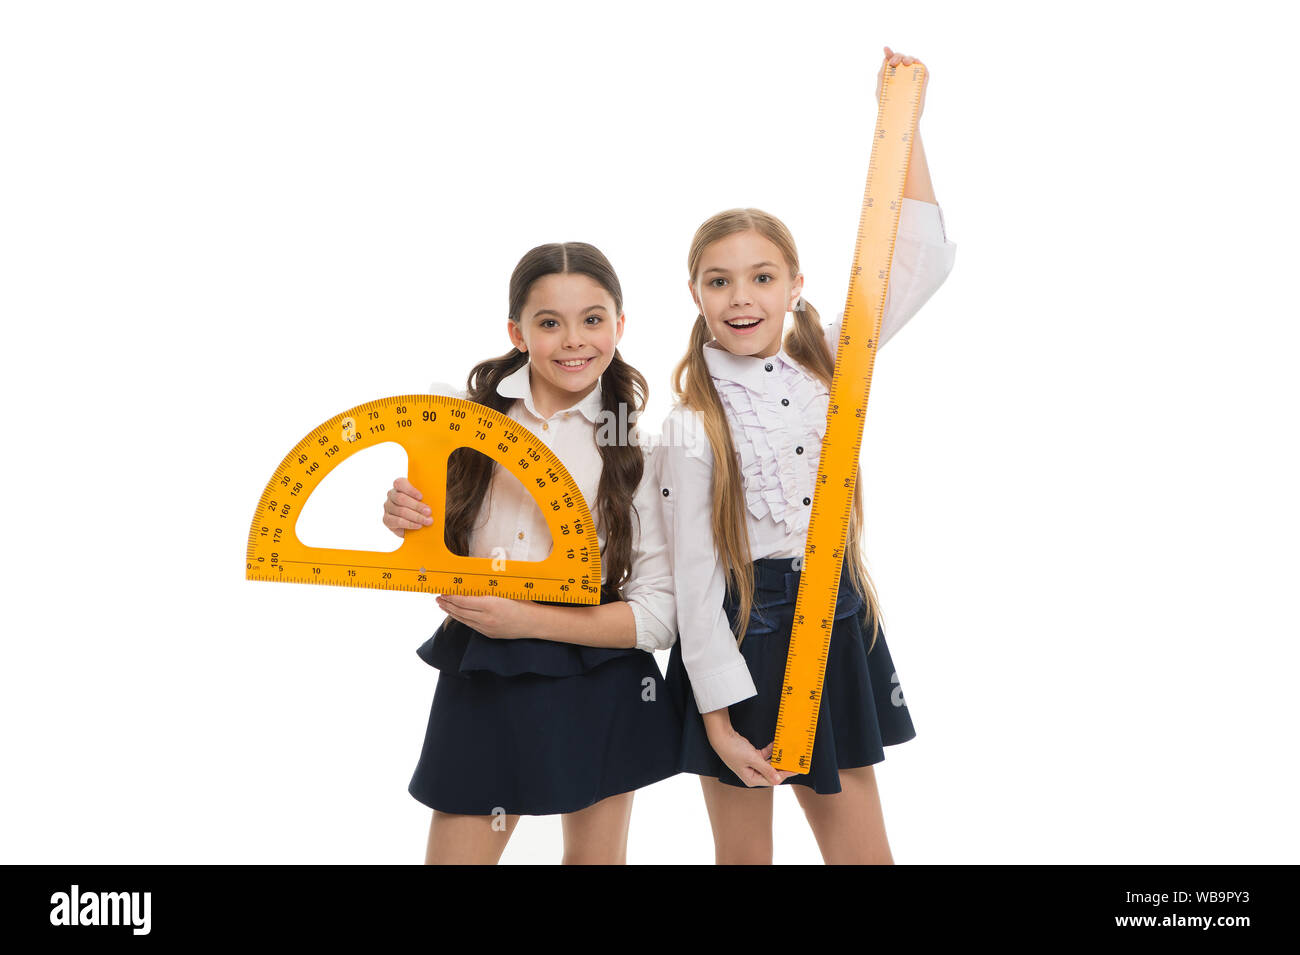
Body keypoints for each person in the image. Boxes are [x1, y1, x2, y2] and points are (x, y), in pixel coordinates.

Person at [658, 48, 956, 864]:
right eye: (718, 282)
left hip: (836, 612)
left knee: (865, 854)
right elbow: (691, 578)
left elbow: (921, 262)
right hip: (740, 628)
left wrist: (906, 123)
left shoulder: (833, 357)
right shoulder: (689, 422)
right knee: (745, 856)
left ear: (795, 284)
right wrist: (715, 716)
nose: (741, 296)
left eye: (761, 276)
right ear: (695, 295)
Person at [383, 241, 679, 864]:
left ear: (620, 327)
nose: (574, 340)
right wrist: (407, 521)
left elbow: (656, 615)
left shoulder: (643, 451)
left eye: (593, 319)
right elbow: (433, 546)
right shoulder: (461, 426)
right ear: (517, 332)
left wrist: (528, 621)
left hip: (598, 669)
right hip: (484, 666)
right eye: (550, 322)